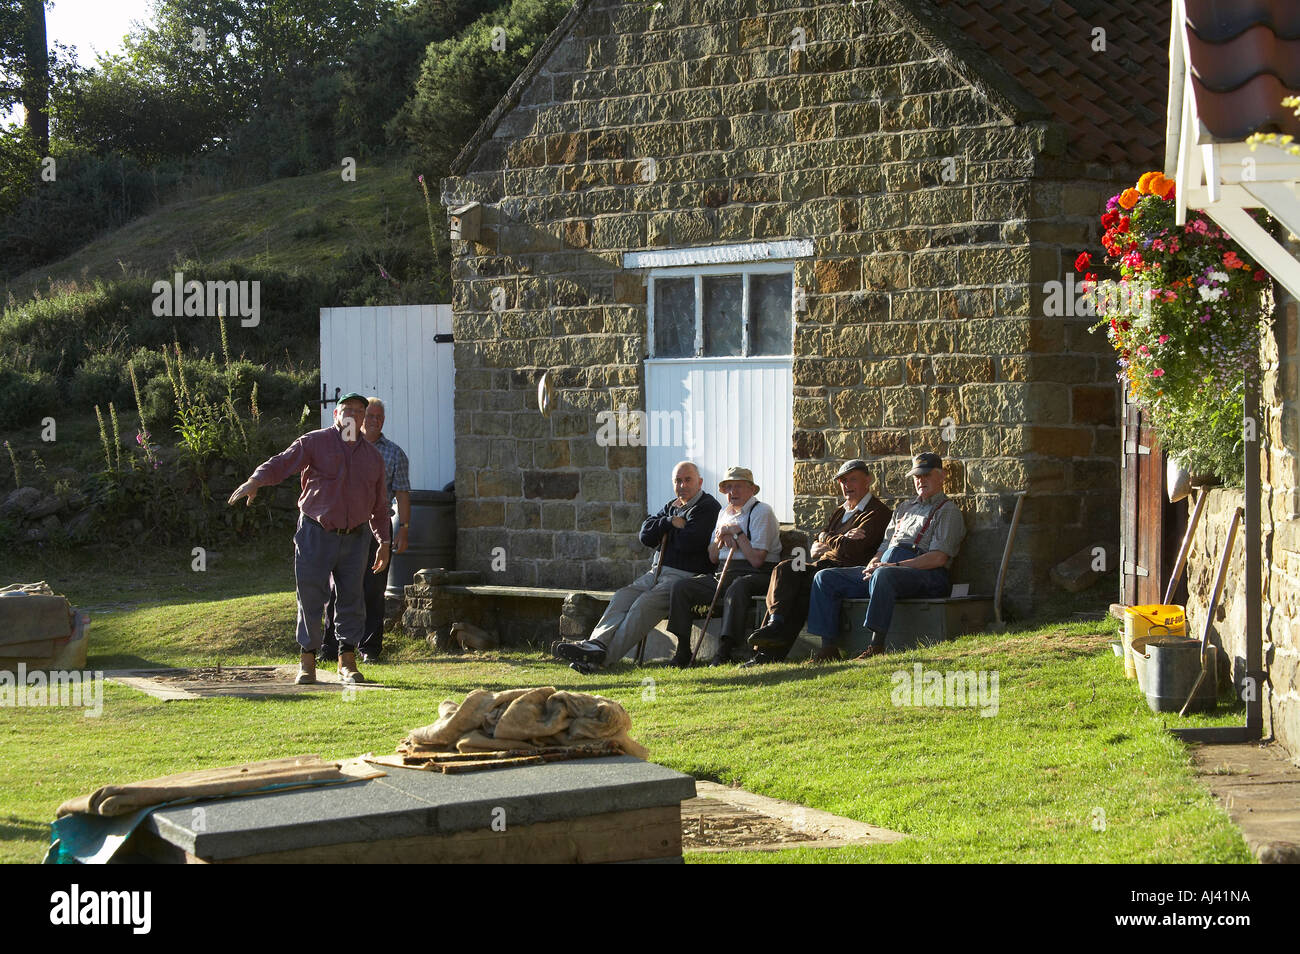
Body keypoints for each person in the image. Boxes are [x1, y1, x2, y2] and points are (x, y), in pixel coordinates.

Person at [228, 392, 391, 685]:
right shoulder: (315, 442)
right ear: (335, 415)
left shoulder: (373, 458)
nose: (353, 415)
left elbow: (380, 506)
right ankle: (308, 661)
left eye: (359, 411)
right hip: (316, 533)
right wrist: (255, 481)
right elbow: (282, 463)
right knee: (311, 596)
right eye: (347, 409)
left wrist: (384, 543)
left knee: (353, 598)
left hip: (356, 538)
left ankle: (347, 661)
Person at [552, 461, 721, 669]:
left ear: (700, 482)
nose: (682, 485)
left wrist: (665, 532)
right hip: (655, 572)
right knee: (623, 596)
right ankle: (596, 644)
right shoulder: (672, 506)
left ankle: (598, 662)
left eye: (688, 480)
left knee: (642, 606)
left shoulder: (708, 507)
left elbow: (690, 543)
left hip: (684, 577)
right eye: (678, 481)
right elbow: (645, 535)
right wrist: (668, 523)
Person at [805, 452, 966, 661]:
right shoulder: (904, 508)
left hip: (926, 574)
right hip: (888, 565)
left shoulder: (948, 511)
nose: (921, 481)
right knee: (824, 578)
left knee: (883, 576)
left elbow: (938, 558)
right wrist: (873, 564)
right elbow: (885, 545)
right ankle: (828, 648)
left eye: (926, 475)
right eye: (917, 476)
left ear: (942, 476)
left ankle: (876, 644)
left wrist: (893, 565)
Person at [742, 459, 891, 666]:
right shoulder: (841, 510)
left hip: (844, 570)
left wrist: (825, 537)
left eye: (852, 480)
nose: (847, 485)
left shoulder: (877, 512)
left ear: (868, 480)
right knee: (786, 568)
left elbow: (851, 549)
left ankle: (766, 654)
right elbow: (815, 548)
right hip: (823, 565)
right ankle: (775, 624)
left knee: (797, 593)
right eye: (843, 481)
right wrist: (836, 538)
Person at [322, 397, 410, 663]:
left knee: (373, 589)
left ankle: (370, 648)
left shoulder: (394, 453)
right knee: (337, 589)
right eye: (369, 416)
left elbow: (402, 494)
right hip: (345, 528)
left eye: (379, 417)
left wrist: (403, 528)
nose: (374, 421)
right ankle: (330, 646)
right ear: (359, 419)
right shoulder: (338, 447)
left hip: (378, 529)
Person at [666, 466, 781, 667]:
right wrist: (720, 538)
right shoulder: (724, 513)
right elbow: (712, 557)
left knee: (737, 588)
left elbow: (757, 560)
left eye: (738, 486)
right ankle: (683, 649)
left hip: (757, 574)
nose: (732, 492)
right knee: (681, 587)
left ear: (752, 490)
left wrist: (737, 534)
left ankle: (725, 649)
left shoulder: (761, 511)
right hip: (723, 572)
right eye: (728, 488)